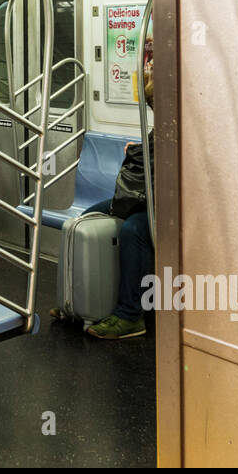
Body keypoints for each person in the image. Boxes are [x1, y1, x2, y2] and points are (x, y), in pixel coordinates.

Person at [88, 54, 155, 340]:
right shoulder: (165, 118)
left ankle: (130, 315)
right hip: (148, 198)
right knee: (89, 217)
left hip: (175, 206)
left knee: (135, 230)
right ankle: (86, 302)